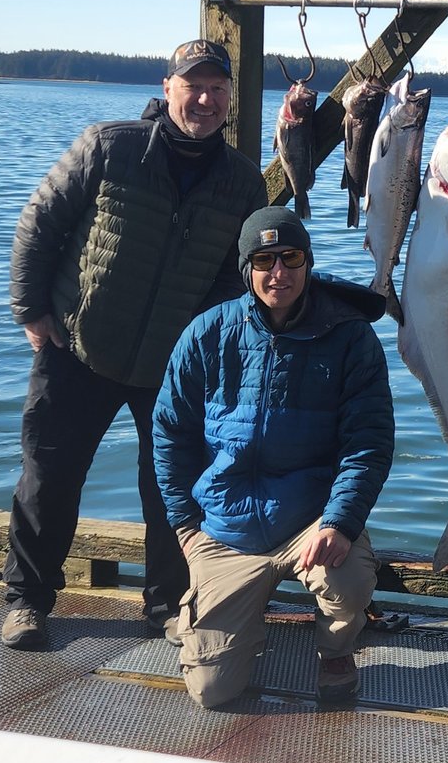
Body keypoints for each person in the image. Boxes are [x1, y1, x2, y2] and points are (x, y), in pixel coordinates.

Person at [3, 39, 267, 650]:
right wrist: (32, 311)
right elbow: (38, 225)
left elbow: (236, 278)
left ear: (229, 98)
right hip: (77, 349)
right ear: (167, 87)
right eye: (193, 85)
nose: (205, 99)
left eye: (218, 88)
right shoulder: (110, 146)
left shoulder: (242, 182)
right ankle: (27, 602)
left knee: (173, 488)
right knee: (48, 478)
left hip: (172, 367)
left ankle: (168, 607)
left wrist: (211, 350)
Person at [153, 207, 394, 707]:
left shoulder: (352, 337)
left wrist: (340, 523)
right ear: (246, 269)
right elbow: (169, 433)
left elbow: (367, 443)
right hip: (226, 527)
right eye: (264, 260)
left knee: (345, 581)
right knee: (212, 692)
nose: (278, 273)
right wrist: (184, 527)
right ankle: (229, 619)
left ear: (308, 263)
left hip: (311, 519)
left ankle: (335, 650)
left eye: (290, 257)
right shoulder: (206, 333)